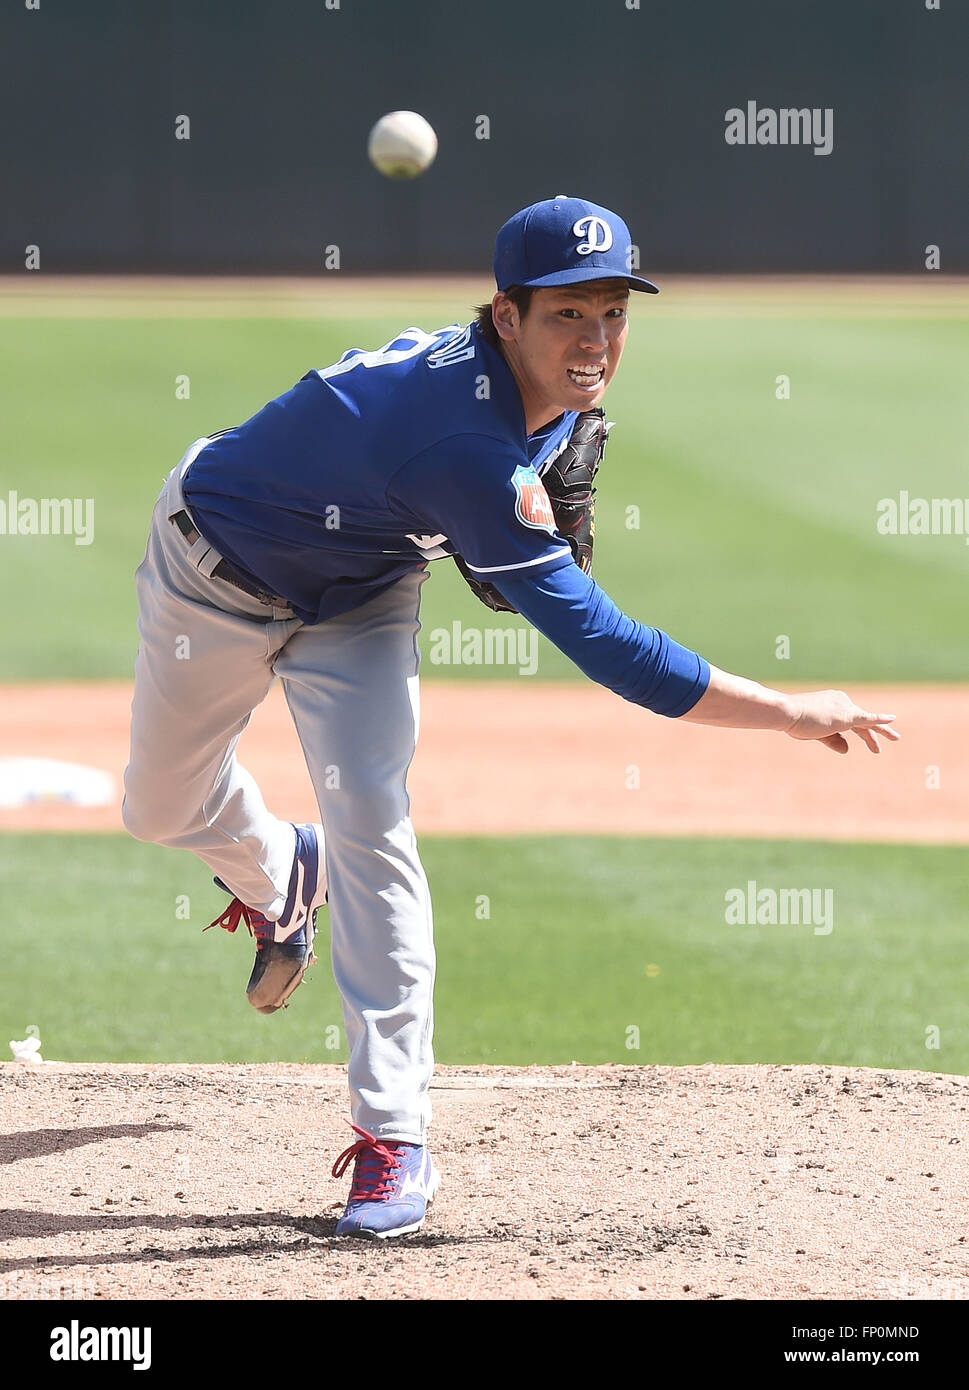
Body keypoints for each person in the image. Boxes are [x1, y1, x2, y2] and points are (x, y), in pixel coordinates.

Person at [122, 196, 898, 1240]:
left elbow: (525, 460)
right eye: (569, 315)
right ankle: (278, 873)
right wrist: (788, 710)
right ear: (506, 317)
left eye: (614, 313)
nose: (596, 341)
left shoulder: (540, 404)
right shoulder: (462, 445)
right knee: (158, 807)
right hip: (211, 570)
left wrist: (533, 472)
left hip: (363, 589)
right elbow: (610, 648)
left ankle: (395, 1137)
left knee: (373, 824)